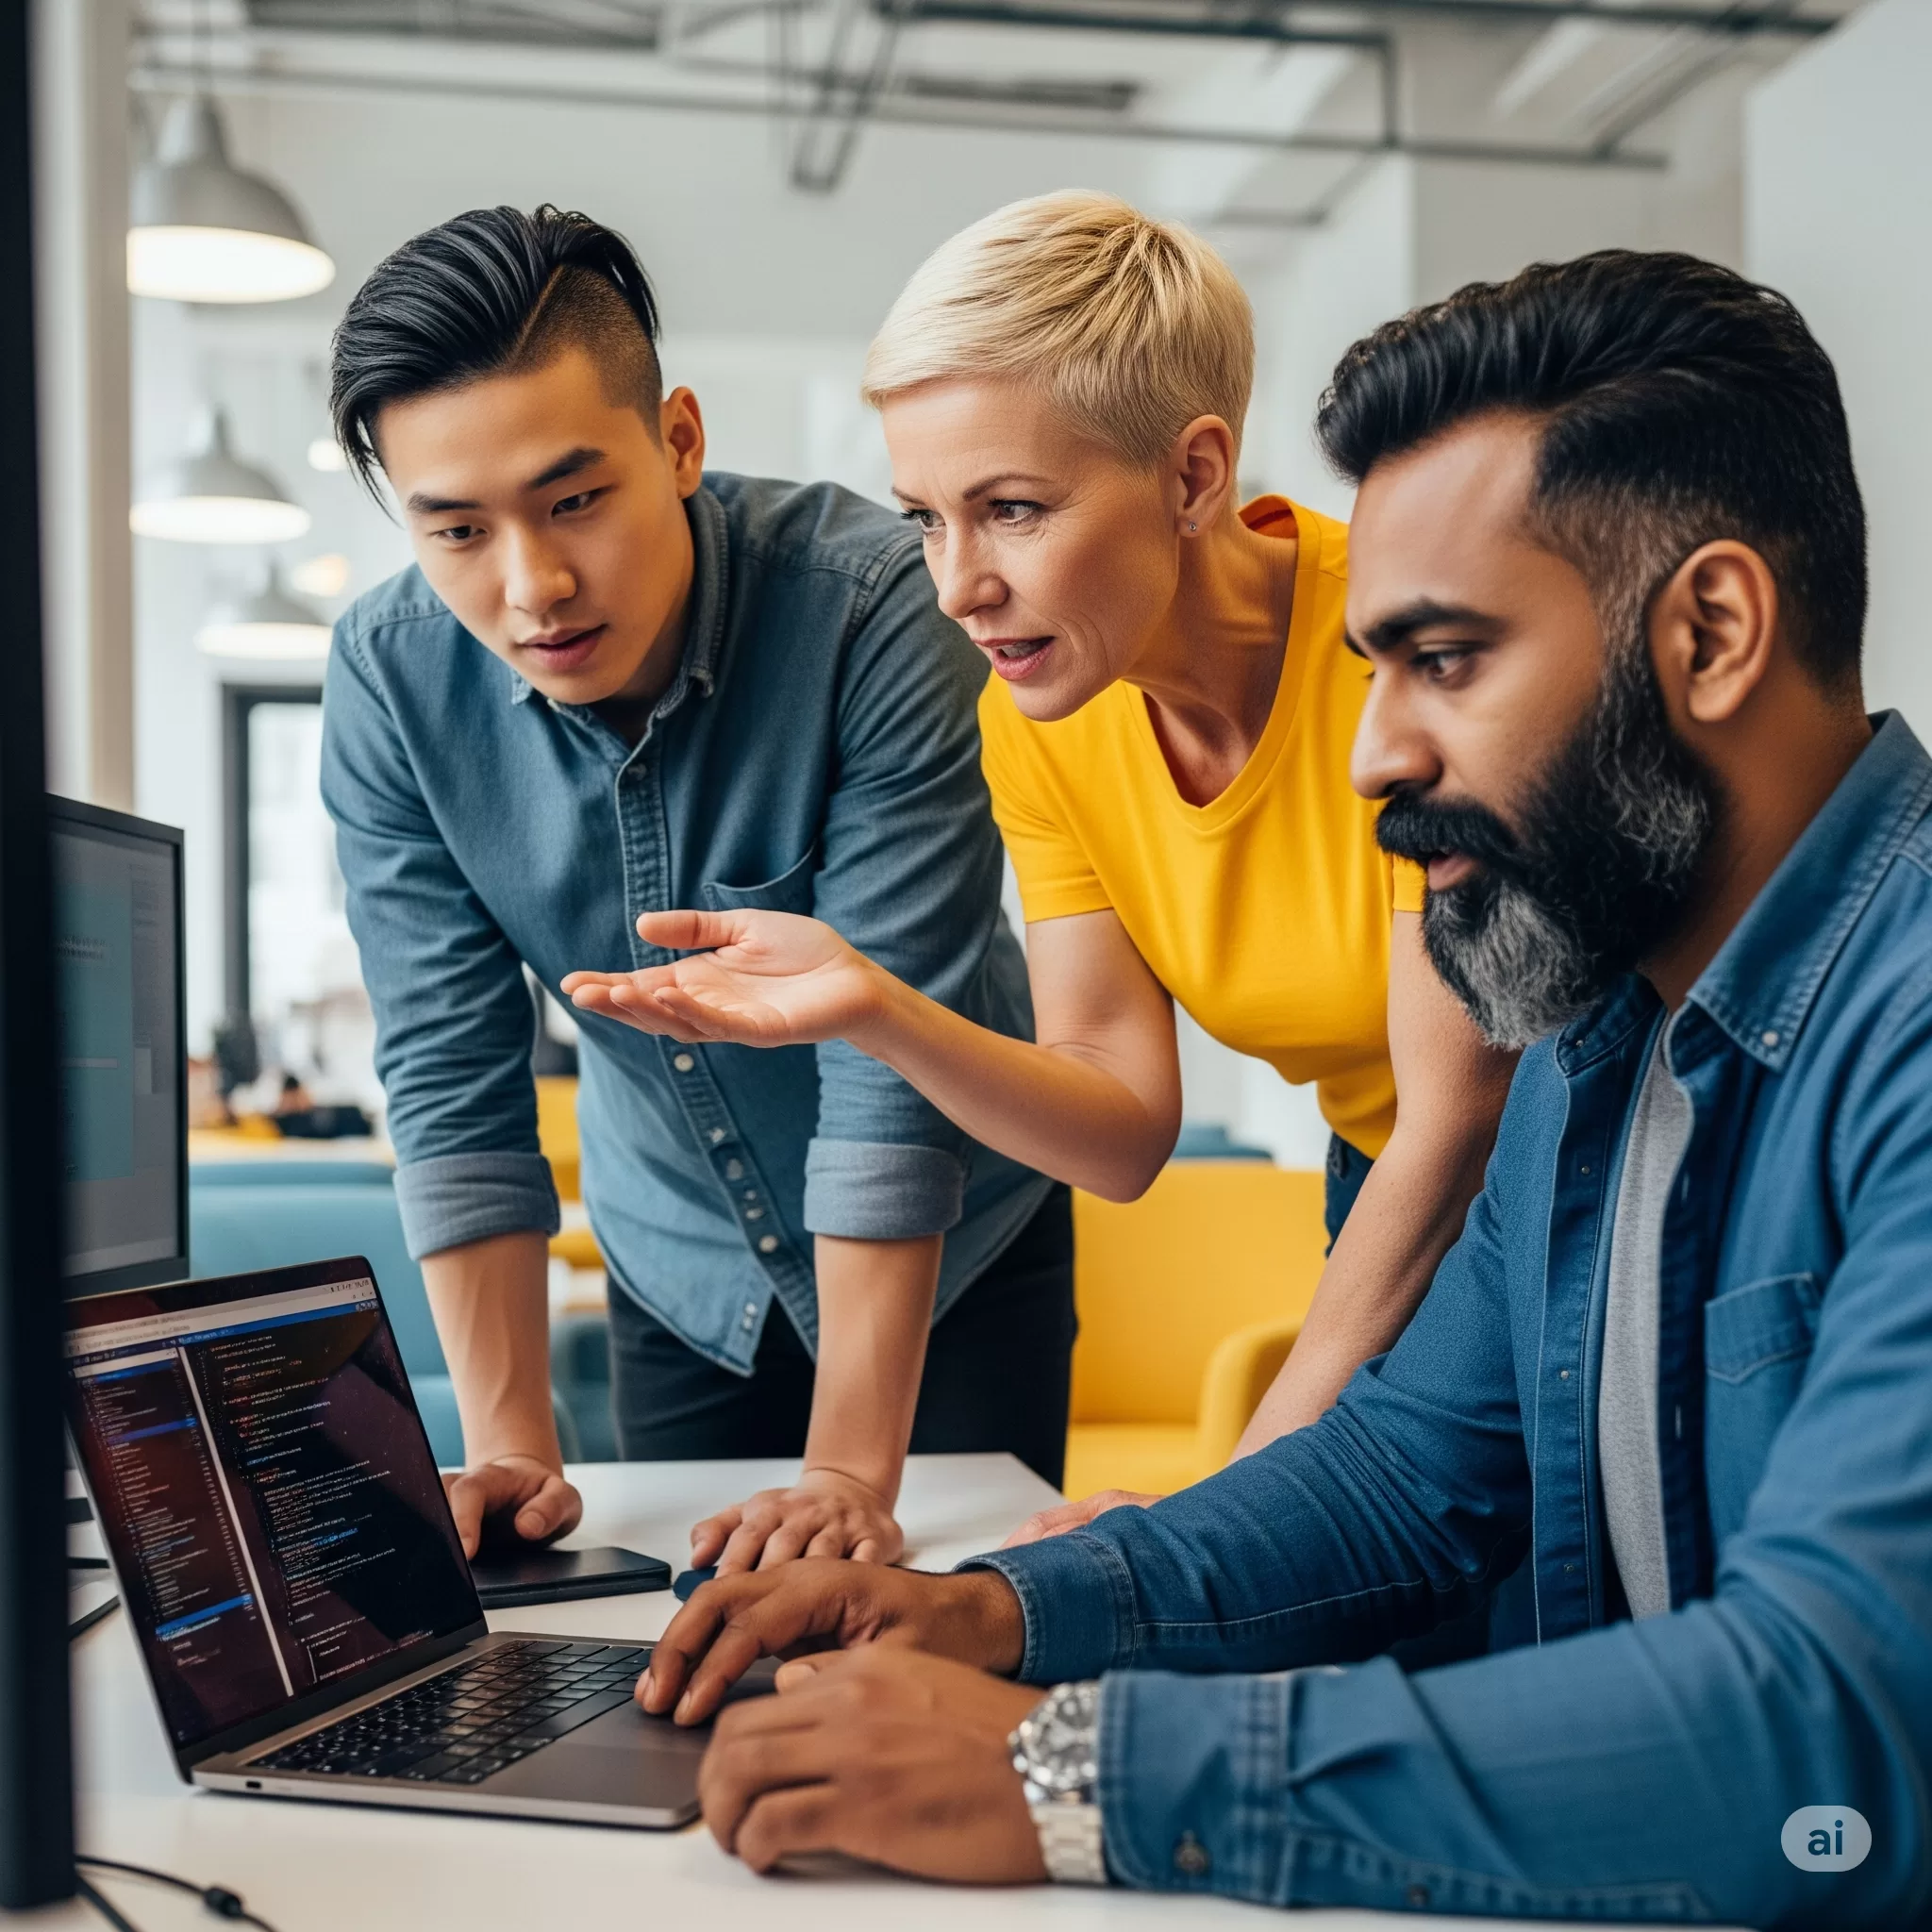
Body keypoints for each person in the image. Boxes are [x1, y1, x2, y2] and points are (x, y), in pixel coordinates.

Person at [626, 251, 1932, 1926]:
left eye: (1446, 662)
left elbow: (1831, 1729)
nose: (1374, 753)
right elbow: (1403, 1475)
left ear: (1715, 631)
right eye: (1376, 667)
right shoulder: (1604, 1038)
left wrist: (1072, 1772)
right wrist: (993, 1613)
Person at [565, 195, 1517, 1538]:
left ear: (1194, 476)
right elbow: (1120, 1128)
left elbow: (1459, 1125)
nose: (959, 585)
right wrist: (873, 1007)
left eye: (1011, 510)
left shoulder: (1400, 650)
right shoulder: (1043, 722)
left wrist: (1217, 1521)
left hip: (1557, 1163)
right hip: (1387, 1185)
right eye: (925, 520)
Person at [320, 205, 1070, 1574]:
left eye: (575, 500)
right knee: (684, 1647)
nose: (533, 586)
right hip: (678, 1257)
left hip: (953, 1253)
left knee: (937, 1648)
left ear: (677, 438)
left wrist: (850, 1468)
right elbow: (449, 1063)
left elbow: (887, 1051)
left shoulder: (873, 606)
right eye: (456, 532)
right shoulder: (388, 677)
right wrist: (508, 1450)